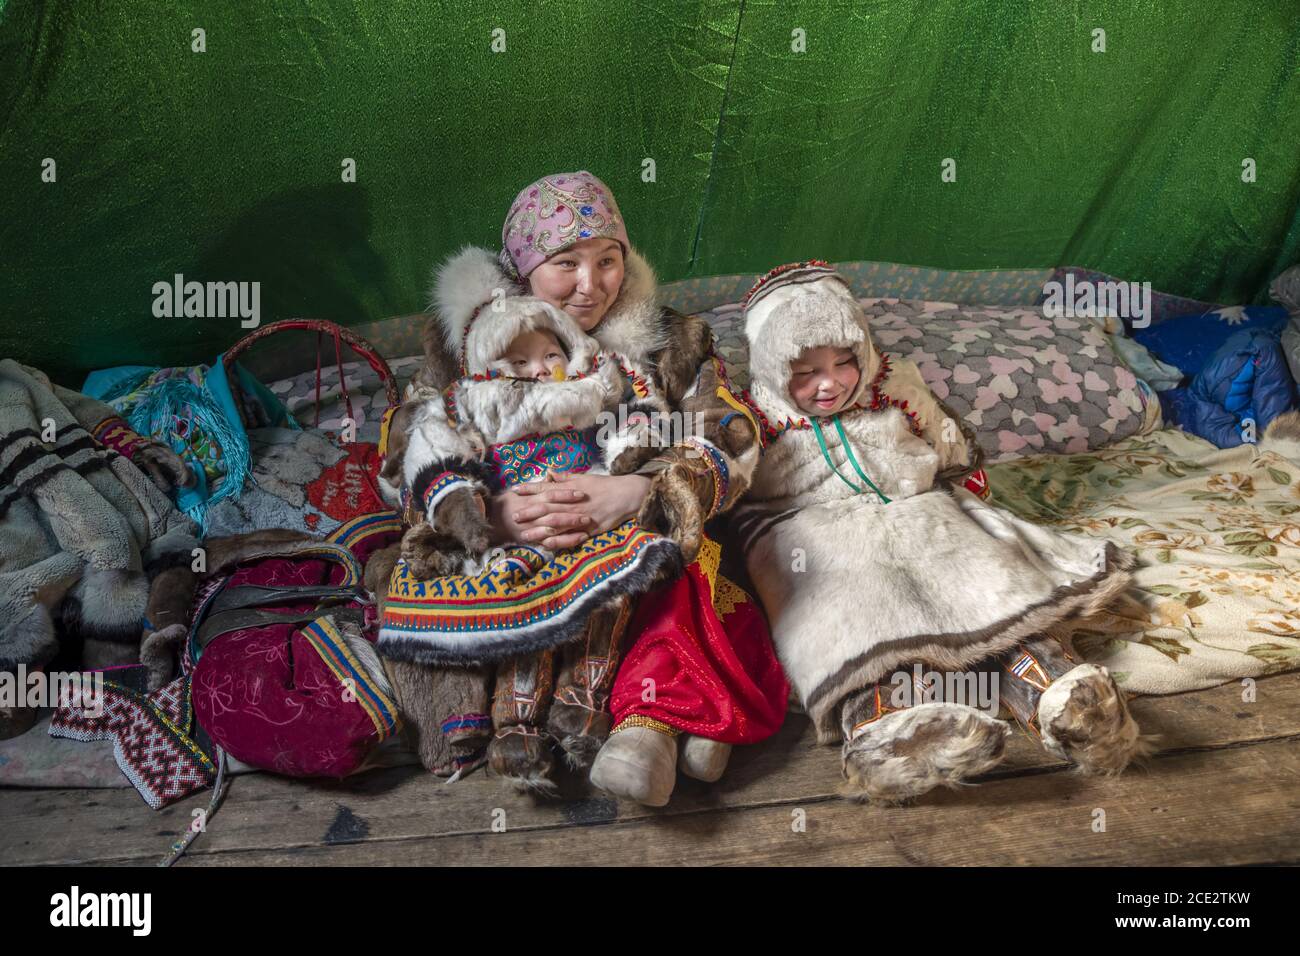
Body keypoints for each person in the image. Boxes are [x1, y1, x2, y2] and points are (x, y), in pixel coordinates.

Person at [385, 171, 787, 802]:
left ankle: (659, 721)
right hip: (510, 543)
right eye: (565, 262)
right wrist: (487, 514)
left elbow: (729, 432)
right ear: (523, 270)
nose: (590, 284)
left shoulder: (670, 340)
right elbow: (407, 452)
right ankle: (513, 725)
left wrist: (644, 492)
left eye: (608, 261)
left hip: (634, 538)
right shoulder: (464, 346)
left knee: (686, 572)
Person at [733, 261, 1148, 803]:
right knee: (849, 611)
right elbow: (725, 484)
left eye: (843, 362)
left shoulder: (895, 385)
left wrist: (963, 490)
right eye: (806, 371)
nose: (830, 382)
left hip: (915, 508)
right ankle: (893, 728)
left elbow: (949, 448)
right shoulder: (748, 415)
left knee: (981, 580)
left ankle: (1060, 695)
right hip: (807, 528)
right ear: (771, 368)